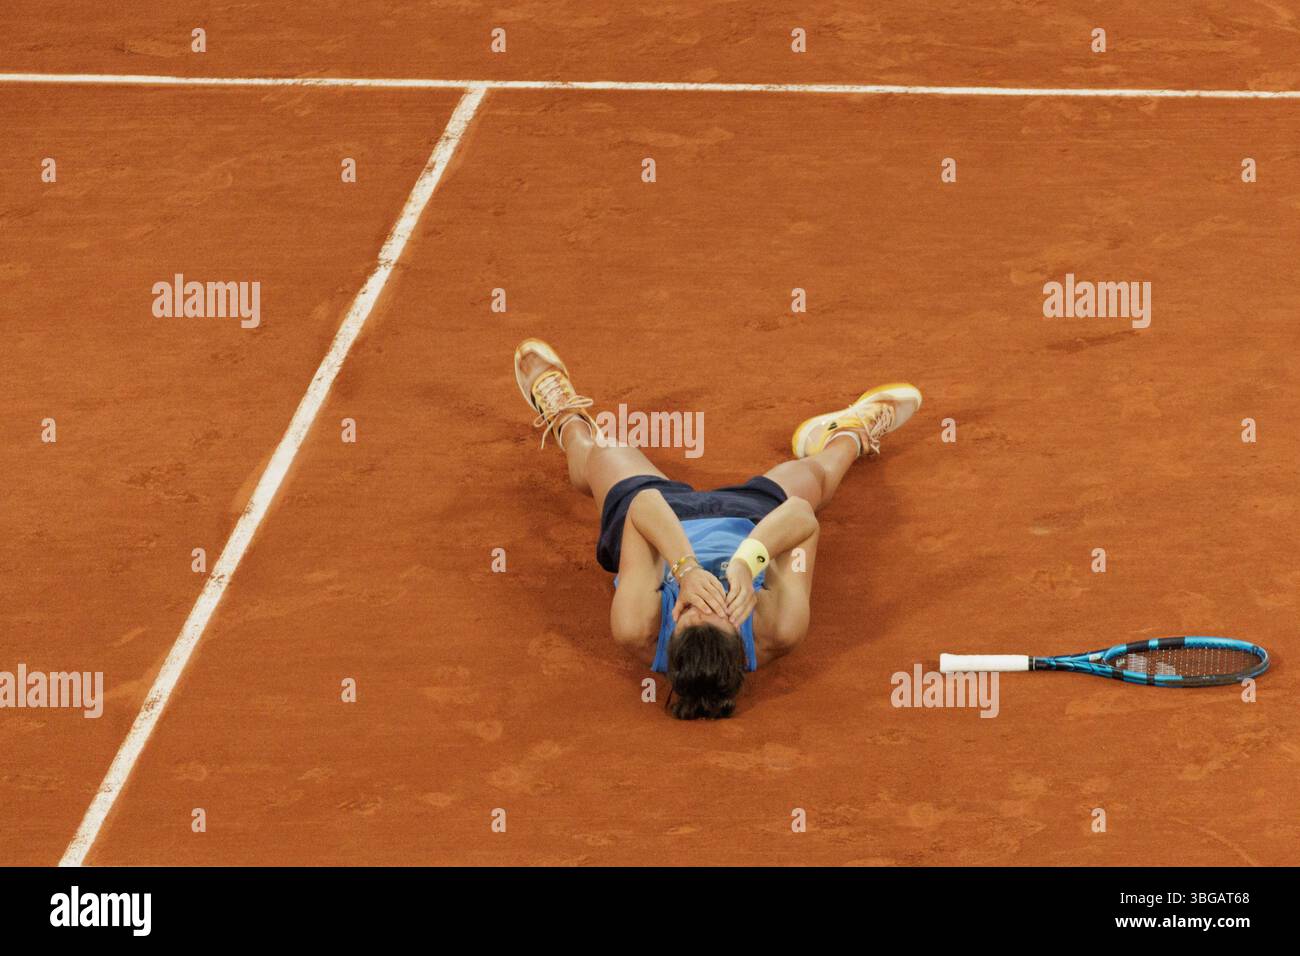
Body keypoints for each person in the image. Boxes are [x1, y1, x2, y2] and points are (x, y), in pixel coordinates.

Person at [513, 338, 921, 719]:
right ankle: (850, 432)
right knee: (813, 480)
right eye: (721, 611)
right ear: (740, 641)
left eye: (688, 610)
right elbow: (800, 517)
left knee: (604, 457)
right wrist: (746, 562)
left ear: (671, 638)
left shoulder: (638, 626)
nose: (707, 599)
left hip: (665, 523)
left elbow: (644, 506)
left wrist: (686, 570)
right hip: (748, 520)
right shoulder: (779, 628)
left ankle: (565, 416)